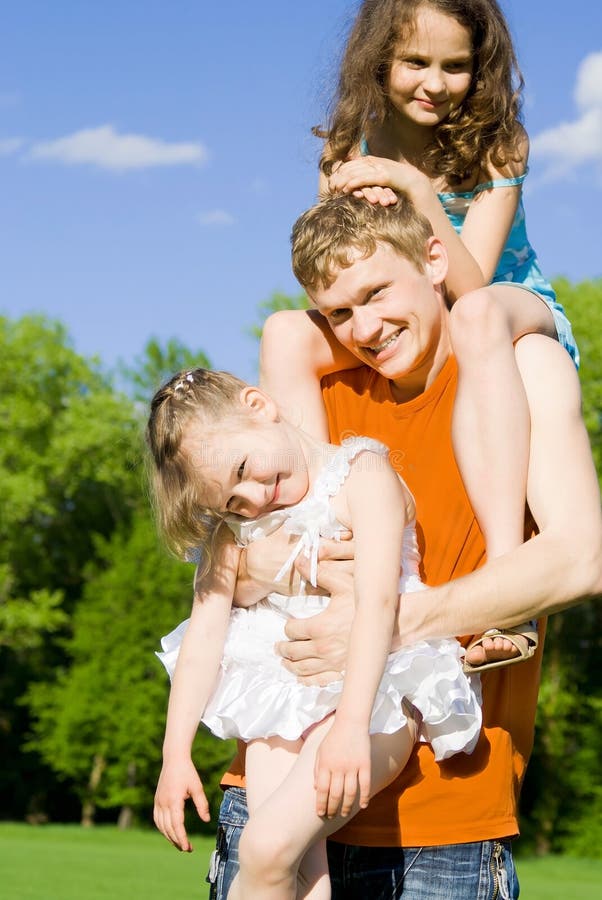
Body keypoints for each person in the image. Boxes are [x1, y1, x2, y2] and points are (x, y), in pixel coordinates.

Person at [208, 193, 602, 899]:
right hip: (278, 789)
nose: (364, 327)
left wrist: (386, 625)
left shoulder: (523, 366)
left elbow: (583, 558)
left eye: (376, 293)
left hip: (440, 825)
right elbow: (232, 560)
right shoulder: (314, 391)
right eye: (337, 313)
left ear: (433, 260)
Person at [281, 0, 581, 668]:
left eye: (457, 67)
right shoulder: (348, 145)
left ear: (481, 69)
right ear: (378, 60)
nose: (435, 83)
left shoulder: (500, 144)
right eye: (416, 62)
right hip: (413, 313)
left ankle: (508, 578)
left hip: (503, 300)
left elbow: (470, 285)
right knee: (285, 333)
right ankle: (327, 540)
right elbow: (344, 263)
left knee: (476, 317)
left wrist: (414, 189)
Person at [147, 367, 482, 899]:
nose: (253, 500)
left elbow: (377, 604)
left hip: (370, 699)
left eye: (244, 469)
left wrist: (351, 725)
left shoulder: (361, 476)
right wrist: (174, 756)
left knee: (264, 848)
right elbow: (202, 641)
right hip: (280, 700)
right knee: (301, 871)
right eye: (231, 501)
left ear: (260, 405)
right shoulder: (236, 535)